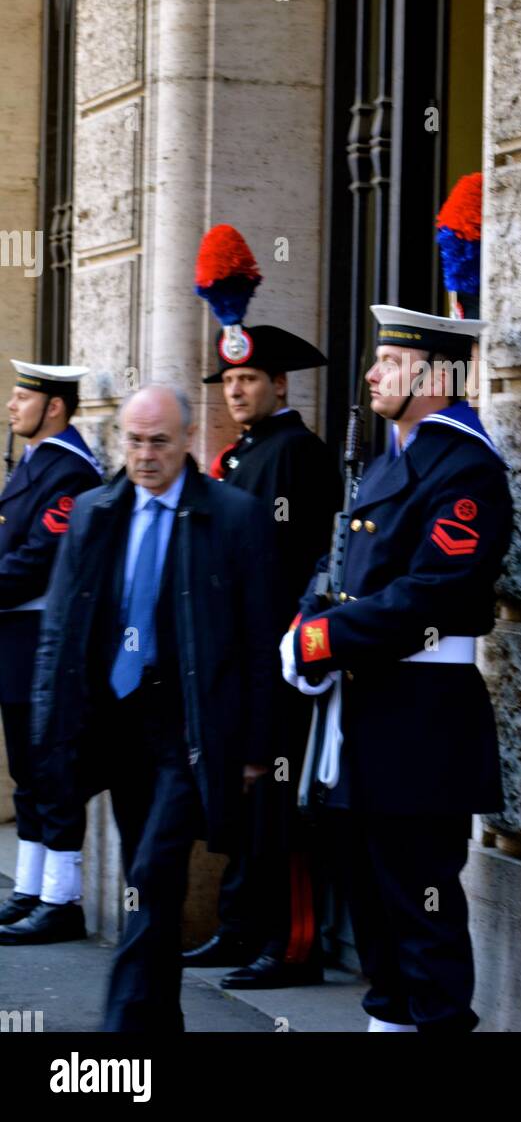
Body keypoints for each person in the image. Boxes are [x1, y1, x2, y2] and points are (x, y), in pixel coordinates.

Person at [281, 304, 512, 1032]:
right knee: (372, 902)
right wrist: (307, 622)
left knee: (421, 904)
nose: (373, 372)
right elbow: (342, 565)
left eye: (391, 361)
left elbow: (431, 592)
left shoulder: (466, 466)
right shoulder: (392, 458)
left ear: (437, 374)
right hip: (365, 708)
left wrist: (321, 642)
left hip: (421, 713)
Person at [29, 385, 275, 1032]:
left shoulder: (233, 516)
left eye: (158, 441)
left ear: (187, 440)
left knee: (152, 866)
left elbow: (258, 641)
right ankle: (159, 1020)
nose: (144, 456)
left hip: (189, 728)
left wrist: (254, 748)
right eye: (134, 441)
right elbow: (59, 625)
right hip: (115, 726)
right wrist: (48, 726)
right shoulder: (94, 511)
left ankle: (123, 1033)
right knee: (152, 877)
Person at [182, 324, 341, 989]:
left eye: (250, 380)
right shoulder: (240, 457)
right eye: (230, 381)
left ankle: (294, 943)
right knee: (245, 802)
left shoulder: (298, 453)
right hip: (239, 656)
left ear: (280, 384)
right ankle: (242, 925)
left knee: (282, 802)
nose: (237, 391)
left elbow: (292, 564)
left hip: (281, 653)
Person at [0, 360, 101, 945]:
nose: (12, 407)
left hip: (44, 640)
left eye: (22, 398)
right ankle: (32, 888)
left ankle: (63, 898)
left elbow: (37, 559)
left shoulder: (69, 472)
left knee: (52, 770)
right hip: (16, 639)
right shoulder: (38, 462)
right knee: (27, 772)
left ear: (54, 407)